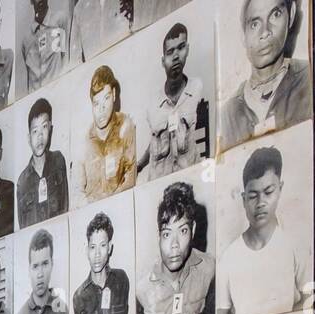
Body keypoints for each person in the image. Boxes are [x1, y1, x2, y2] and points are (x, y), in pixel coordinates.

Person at [216, 146, 310, 314]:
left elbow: (310, 299)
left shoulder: (296, 245)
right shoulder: (228, 258)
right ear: (243, 199)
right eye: (253, 196)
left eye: (268, 192)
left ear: (280, 189)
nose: (261, 203)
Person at [220, 0, 310, 149]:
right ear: (243, 34)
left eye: (275, 15)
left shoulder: (311, 79)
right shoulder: (227, 115)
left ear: (291, 14)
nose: (265, 32)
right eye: (254, 24)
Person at [136, 180, 215, 314]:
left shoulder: (209, 269)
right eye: (167, 234)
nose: (174, 245)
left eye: (183, 231)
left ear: (192, 230)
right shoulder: (142, 285)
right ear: (159, 236)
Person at [139, 22, 209, 182]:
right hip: (159, 183)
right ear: (163, 61)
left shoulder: (197, 88)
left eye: (181, 47)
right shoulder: (153, 102)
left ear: (188, 49)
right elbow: (155, 139)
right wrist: (139, 165)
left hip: (188, 181)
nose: (176, 56)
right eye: (170, 52)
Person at [75, 64, 135, 203]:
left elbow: (130, 178)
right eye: (96, 104)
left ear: (114, 95)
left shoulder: (126, 126)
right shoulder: (84, 140)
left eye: (106, 99)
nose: (101, 109)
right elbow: (78, 191)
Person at [72, 211, 130, 314]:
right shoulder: (79, 296)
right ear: (87, 250)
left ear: (109, 248)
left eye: (103, 246)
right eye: (93, 247)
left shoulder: (121, 280)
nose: (97, 254)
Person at [14, 228, 67, 314]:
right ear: (29, 270)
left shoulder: (62, 313)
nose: (40, 274)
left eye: (45, 264)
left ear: (52, 264)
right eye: (35, 266)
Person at [17, 97, 69, 227]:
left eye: (44, 127)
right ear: (29, 138)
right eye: (35, 131)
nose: (40, 136)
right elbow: (23, 226)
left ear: (50, 129)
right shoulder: (22, 181)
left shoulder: (58, 161)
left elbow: (65, 206)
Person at [20, 0, 70, 93]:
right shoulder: (26, 40)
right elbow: (28, 81)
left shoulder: (60, 20)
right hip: (37, 100)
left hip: (58, 91)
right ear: (31, 1)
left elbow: (66, 59)